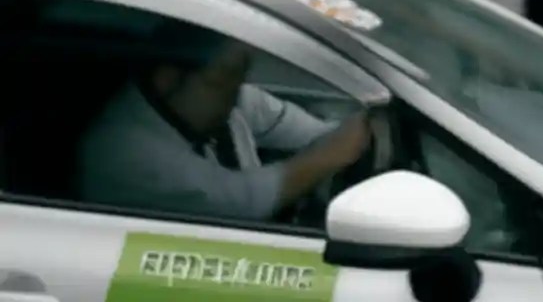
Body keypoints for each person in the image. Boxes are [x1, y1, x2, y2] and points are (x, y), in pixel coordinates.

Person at [77, 25, 372, 222]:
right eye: (224, 77)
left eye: (240, 75)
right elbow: (242, 201)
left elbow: (312, 133)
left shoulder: (223, 100)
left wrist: (362, 131)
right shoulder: (125, 152)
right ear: (166, 78)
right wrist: (332, 155)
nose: (237, 92)